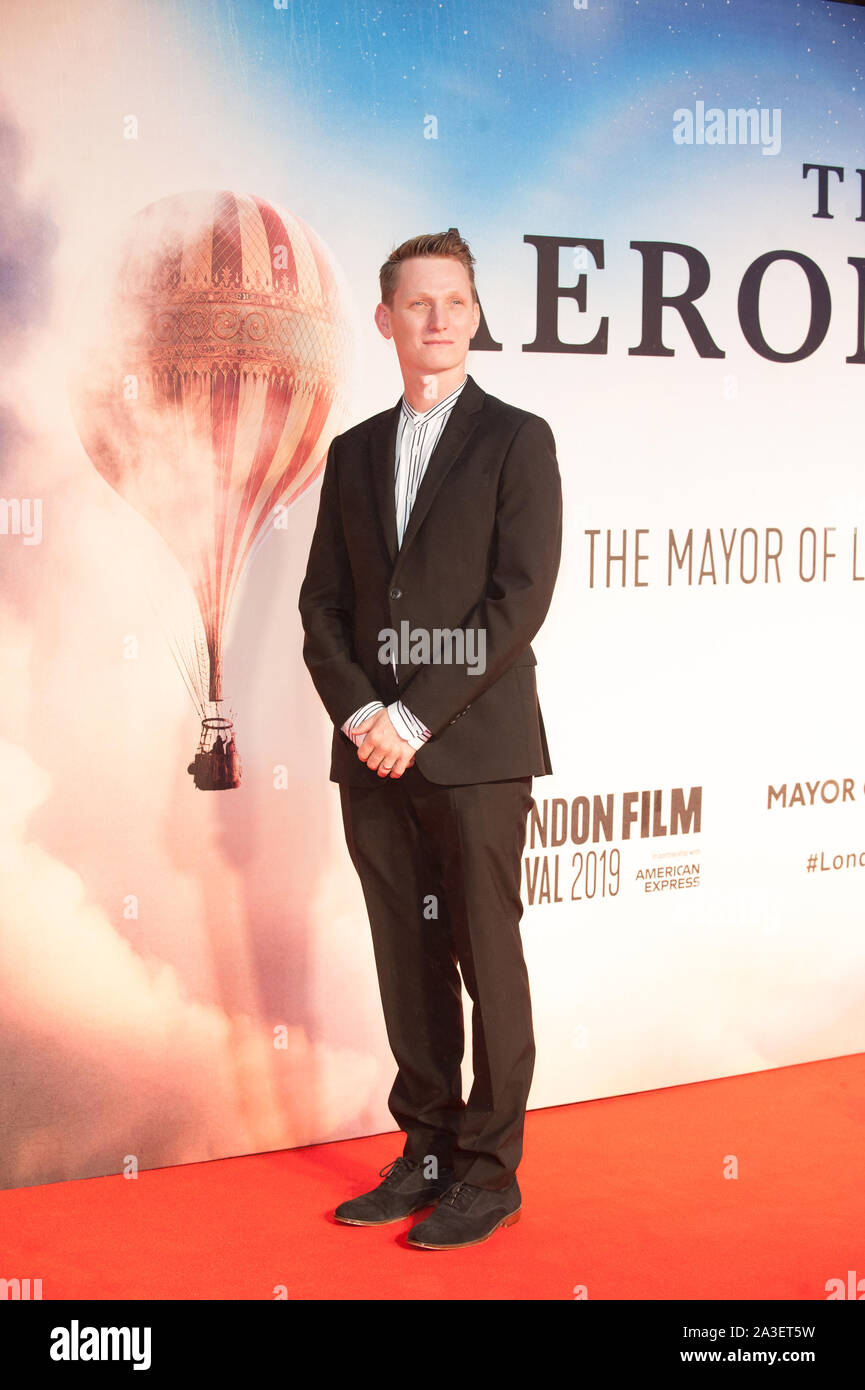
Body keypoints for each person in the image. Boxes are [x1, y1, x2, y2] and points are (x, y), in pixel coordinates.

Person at [298, 228, 562, 1250]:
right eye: (418, 303)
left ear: (475, 312)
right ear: (386, 320)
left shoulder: (516, 439)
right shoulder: (351, 452)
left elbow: (517, 602)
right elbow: (323, 606)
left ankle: (491, 1174)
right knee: (406, 960)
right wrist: (364, 714)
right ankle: (428, 1149)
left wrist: (415, 715)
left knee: (483, 957)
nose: (440, 318)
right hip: (371, 758)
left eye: (455, 300)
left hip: (476, 752)